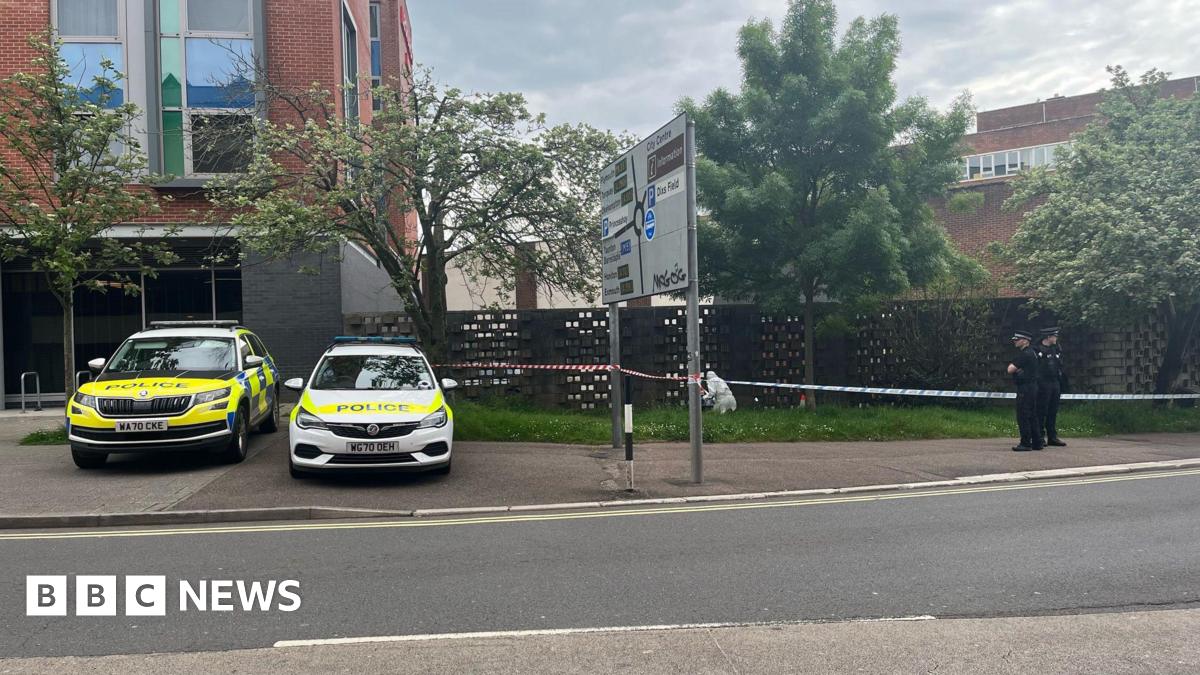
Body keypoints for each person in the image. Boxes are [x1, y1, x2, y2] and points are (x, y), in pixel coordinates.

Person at [1006, 329, 1043, 451]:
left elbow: (1010, 369)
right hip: (1033, 387)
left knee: (1023, 415)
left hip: (1025, 388)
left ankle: (1026, 443)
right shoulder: (1033, 353)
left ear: (1025, 341)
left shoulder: (1025, 354)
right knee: (1032, 415)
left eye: (1018, 340)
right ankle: (1037, 442)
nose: (1015, 342)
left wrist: (1016, 368)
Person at [1035, 326, 1067, 447]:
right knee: (1041, 410)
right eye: (1054, 336)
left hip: (1055, 382)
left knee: (1053, 410)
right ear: (1048, 337)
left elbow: (1060, 365)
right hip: (1043, 382)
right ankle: (1039, 436)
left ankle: (1052, 436)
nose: (1056, 338)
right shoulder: (1038, 349)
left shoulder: (1056, 349)